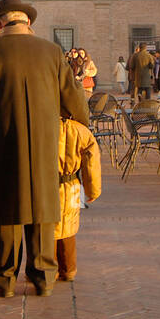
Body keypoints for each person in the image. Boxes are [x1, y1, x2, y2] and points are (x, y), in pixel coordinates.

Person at [0, 0, 88, 299]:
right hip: (45, 141)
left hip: (3, 140)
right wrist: (81, 127)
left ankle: (3, 278)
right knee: (42, 203)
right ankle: (43, 276)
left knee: (7, 206)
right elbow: (74, 100)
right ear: (27, 22)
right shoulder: (52, 52)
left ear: (0, 24)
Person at [56, 115, 102, 282]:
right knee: (70, 227)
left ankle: (49, 269)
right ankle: (69, 269)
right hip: (73, 185)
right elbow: (91, 164)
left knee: (48, 228)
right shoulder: (81, 130)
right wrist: (93, 191)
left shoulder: (40, 125)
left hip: (47, 184)